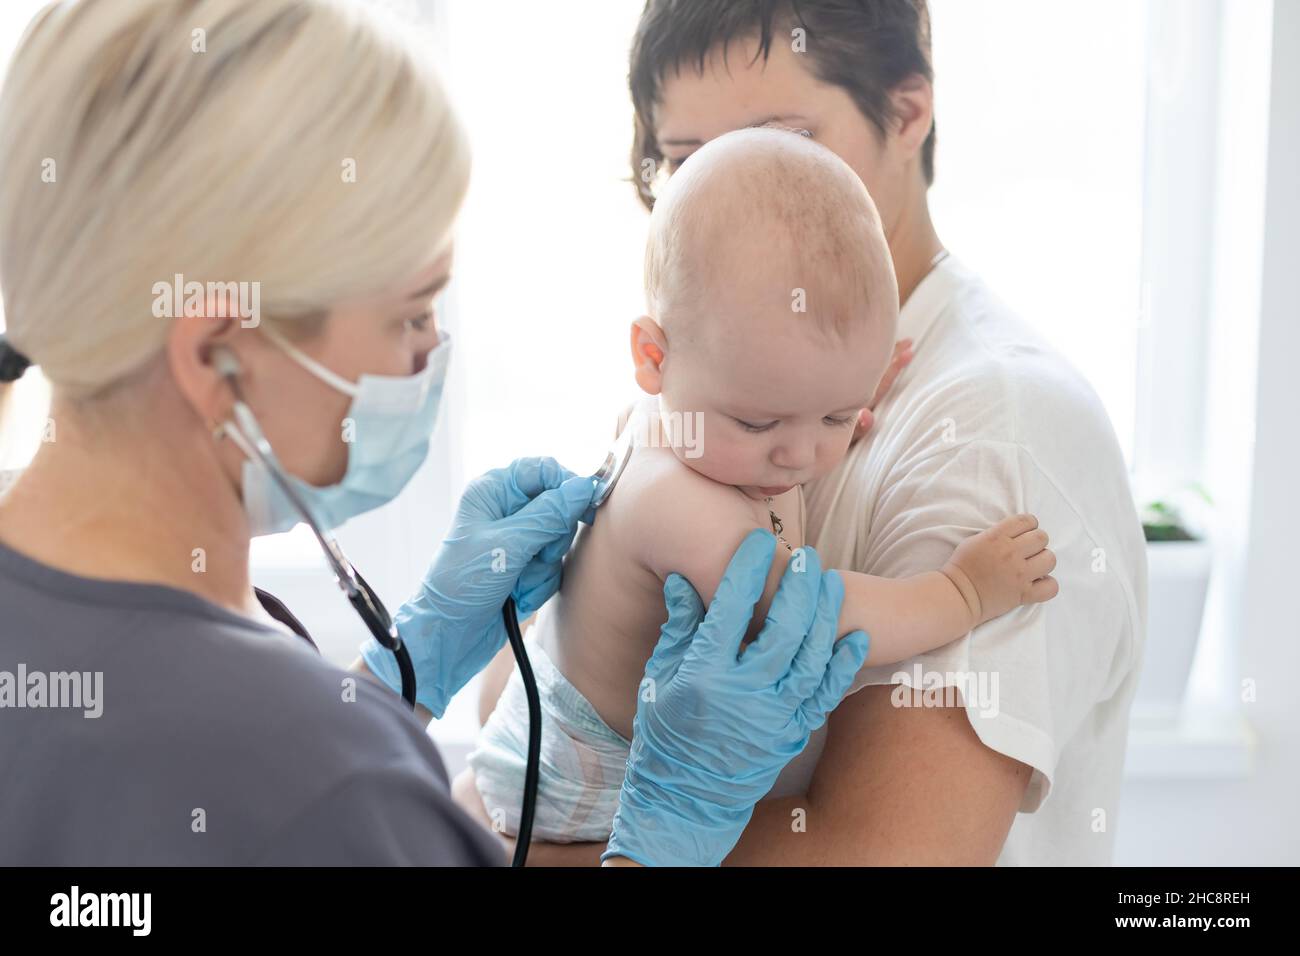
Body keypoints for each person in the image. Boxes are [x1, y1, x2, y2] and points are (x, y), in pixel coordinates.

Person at [0, 0, 868, 867]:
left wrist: (398, 680)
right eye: (412, 313)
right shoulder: (323, 787)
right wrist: (669, 831)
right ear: (219, 357)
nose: (432, 351)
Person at [455, 127, 1059, 847]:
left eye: (836, 414)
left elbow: (791, 417)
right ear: (653, 358)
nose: (802, 455)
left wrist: (825, 400)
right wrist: (962, 592)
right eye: (760, 418)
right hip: (573, 784)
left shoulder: (713, 417)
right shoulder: (676, 500)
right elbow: (812, 615)